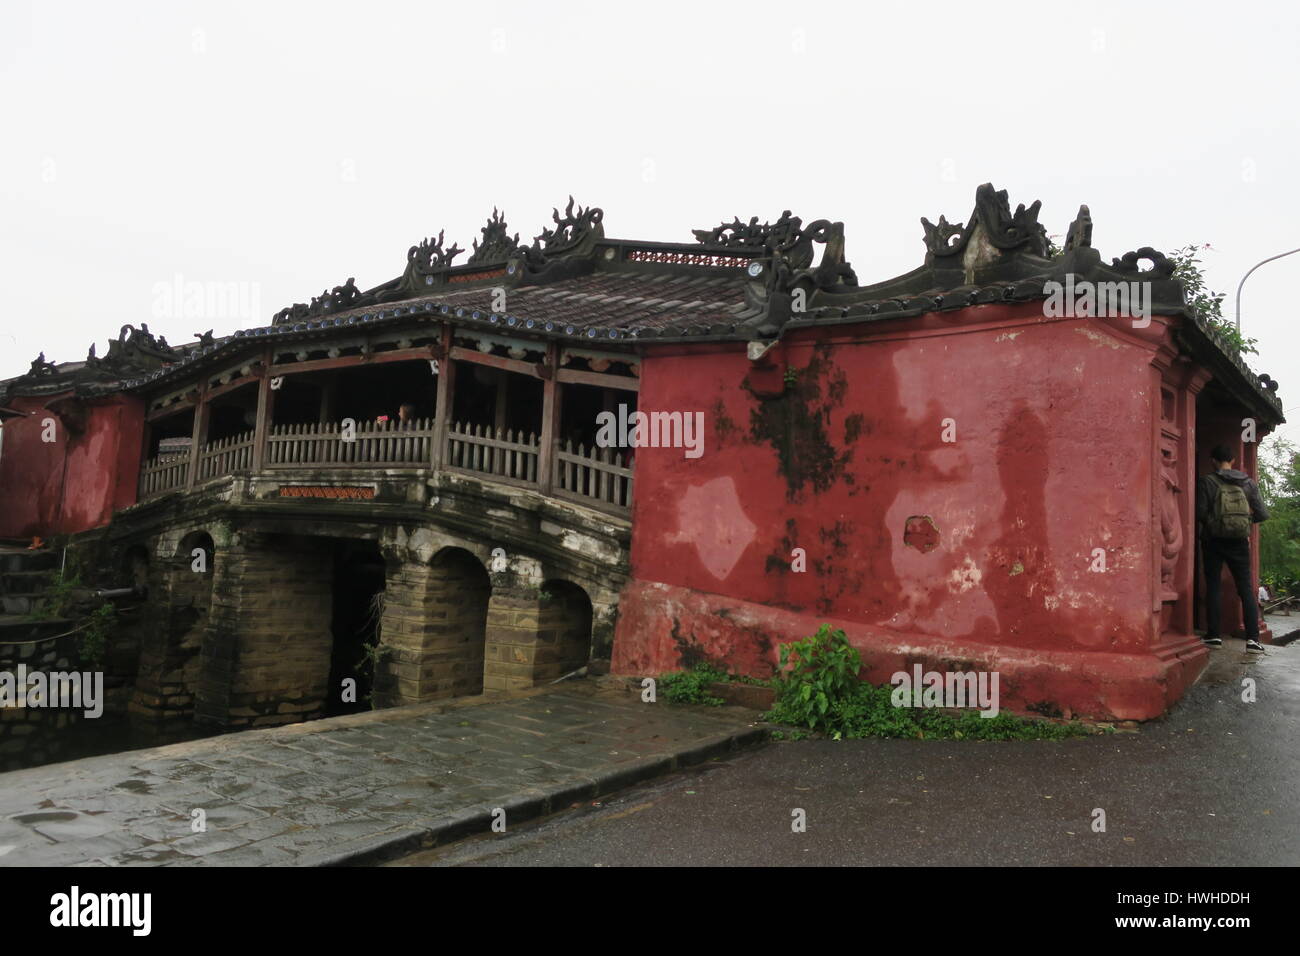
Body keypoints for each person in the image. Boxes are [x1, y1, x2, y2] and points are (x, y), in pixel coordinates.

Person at [1196, 444, 1270, 651]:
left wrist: (1216, 522)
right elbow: (1262, 514)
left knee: (1213, 586)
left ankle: (1214, 636)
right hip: (1239, 542)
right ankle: (1253, 639)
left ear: (1213, 460)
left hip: (1213, 540)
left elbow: (1200, 513)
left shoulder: (1207, 481)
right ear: (1233, 460)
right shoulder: (1248, 483)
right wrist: (1243, 521)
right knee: (1245, 588)